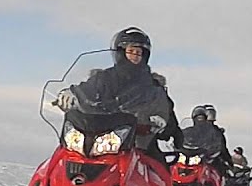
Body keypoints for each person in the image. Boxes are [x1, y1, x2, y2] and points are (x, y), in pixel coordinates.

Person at [55, 27, 181, 161]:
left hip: (138, 143)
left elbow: (166, 110)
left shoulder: (153, 87)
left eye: (138, 53)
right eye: (131, 51)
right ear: (120, 52)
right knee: (58, 160)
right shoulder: (103, 78)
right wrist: (70, 94)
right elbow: (85, 90)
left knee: (159, 172)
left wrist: (165, 125)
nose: (134, 56)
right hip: (95, 137)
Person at [182, 104, 232, 176]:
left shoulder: (216, 131)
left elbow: (222, 147)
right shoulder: (189, 130)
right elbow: (181, 138)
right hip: (191, 155)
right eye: (198, 117)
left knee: (220, 169)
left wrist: (228, 160)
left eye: (202, 117)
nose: (200, 119)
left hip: (208, 157)